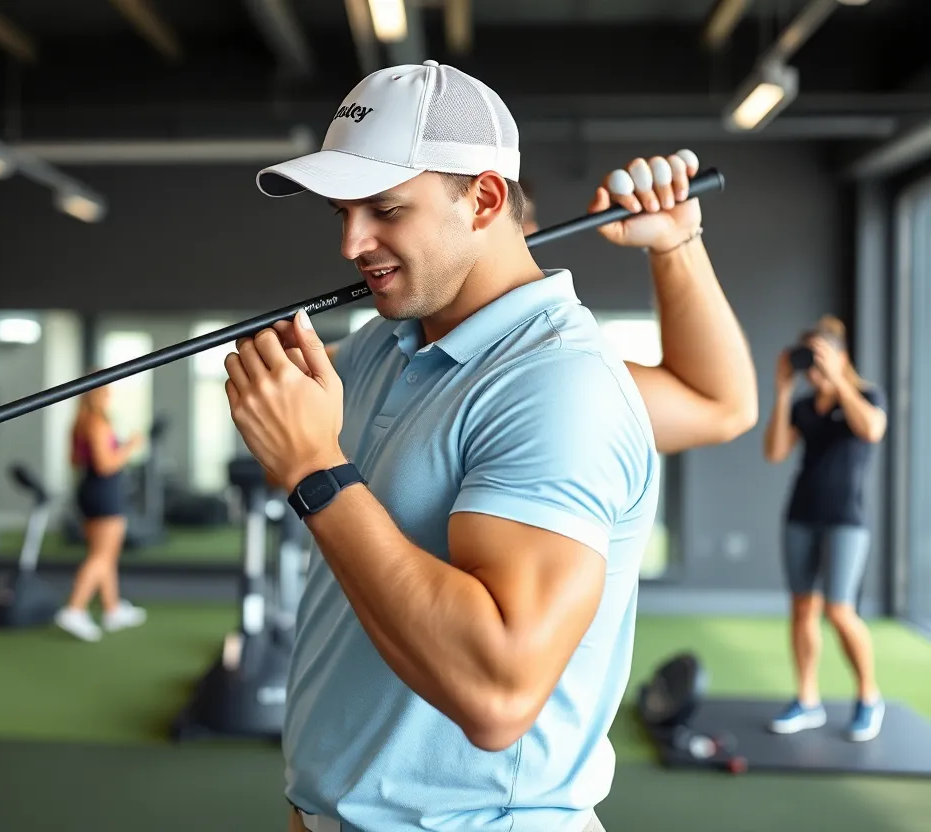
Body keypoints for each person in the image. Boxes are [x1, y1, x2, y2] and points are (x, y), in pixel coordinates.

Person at [223, 61, 756, 832]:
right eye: (341, 211)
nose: (351, 243)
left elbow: (497, 692)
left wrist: (313, 469)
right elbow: (712, 400)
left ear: (485, 199)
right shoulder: (387, 345)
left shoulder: (557, 386)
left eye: (384, 209)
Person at [762, 316, 888, 741]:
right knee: (802, 608)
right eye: (808, 361)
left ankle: (869, 698)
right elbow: (775, 452)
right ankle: (807, 699)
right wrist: (782, 391)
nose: (813, 370)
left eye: (820, 359)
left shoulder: (867, 397)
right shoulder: (801, 405)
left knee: (838, 609)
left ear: (839, 356)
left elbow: (871, 430)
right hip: (800, 515)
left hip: (846, 520)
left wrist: (839, 380)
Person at [54, 383, 148, 642]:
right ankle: (74, 609)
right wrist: (131, 445)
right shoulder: (95, 423)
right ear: (94, 393)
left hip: (91, 490)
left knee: (106, 554)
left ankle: (112, 609)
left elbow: (75, 460)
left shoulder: (80, 423)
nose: (109, 396)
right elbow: (106, 465)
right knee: (101, 556)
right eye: (105, 391)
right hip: (104, 492)